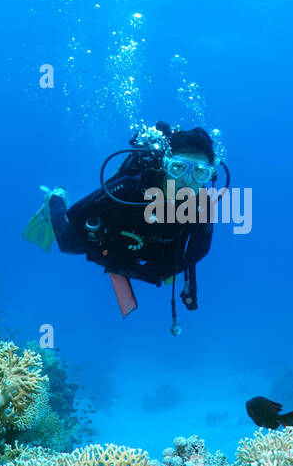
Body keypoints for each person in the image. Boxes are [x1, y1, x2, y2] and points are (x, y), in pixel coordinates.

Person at [23, 122, 220, 331]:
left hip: (154, 245)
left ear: (210, 175)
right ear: (165, 164)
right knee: (67, 243)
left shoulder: (202, 206)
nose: (186, 182)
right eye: (178, 167)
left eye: (199, 172)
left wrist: (159, 270)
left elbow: (199, 250)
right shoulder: (130, 186)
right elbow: (76, 216)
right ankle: (55, 198)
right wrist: (106, 254)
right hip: (115, 236)